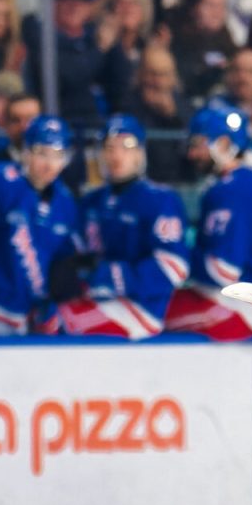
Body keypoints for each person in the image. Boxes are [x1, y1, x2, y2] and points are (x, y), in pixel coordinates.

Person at [48, 114, 189, 339]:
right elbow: (75, 253)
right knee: (44, 316)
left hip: (142, 308)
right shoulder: (91, 201)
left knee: (61, 322)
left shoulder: (160, 199)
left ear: (139, 153)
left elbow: (173, 265)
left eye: (126, 146)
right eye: (109, 147)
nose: (116, 155)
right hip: (99, 300)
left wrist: (111, 276)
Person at [162, 105, 252, 339]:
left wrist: (179, 256)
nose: (192, 154)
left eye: (198, 144)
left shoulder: (233, 187)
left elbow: (223, 270)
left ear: (223, 145)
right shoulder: (245, 179)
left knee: (157, 315)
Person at [0, 115, 79, 336]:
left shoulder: (65, 203)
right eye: (42, 153)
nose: (49, 164)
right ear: (25, 151)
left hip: (26, 318)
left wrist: (50, 301)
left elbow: (63, 263)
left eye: (58, 155)